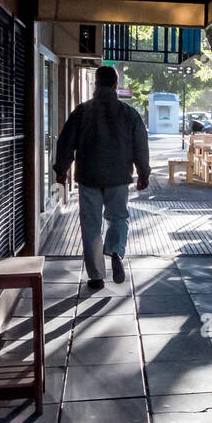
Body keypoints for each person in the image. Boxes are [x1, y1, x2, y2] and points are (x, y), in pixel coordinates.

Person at [54, 66, 149, 289]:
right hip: (118, 176)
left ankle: (96, 276)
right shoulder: (129, 113)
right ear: (116, 85)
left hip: (89, 176)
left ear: (95, 85)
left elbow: (66, 141)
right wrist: (143, 172)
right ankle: (115, 251)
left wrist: (62, 169)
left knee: (91, 225)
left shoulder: (82, 111)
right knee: (118, 217)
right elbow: (140, 145)